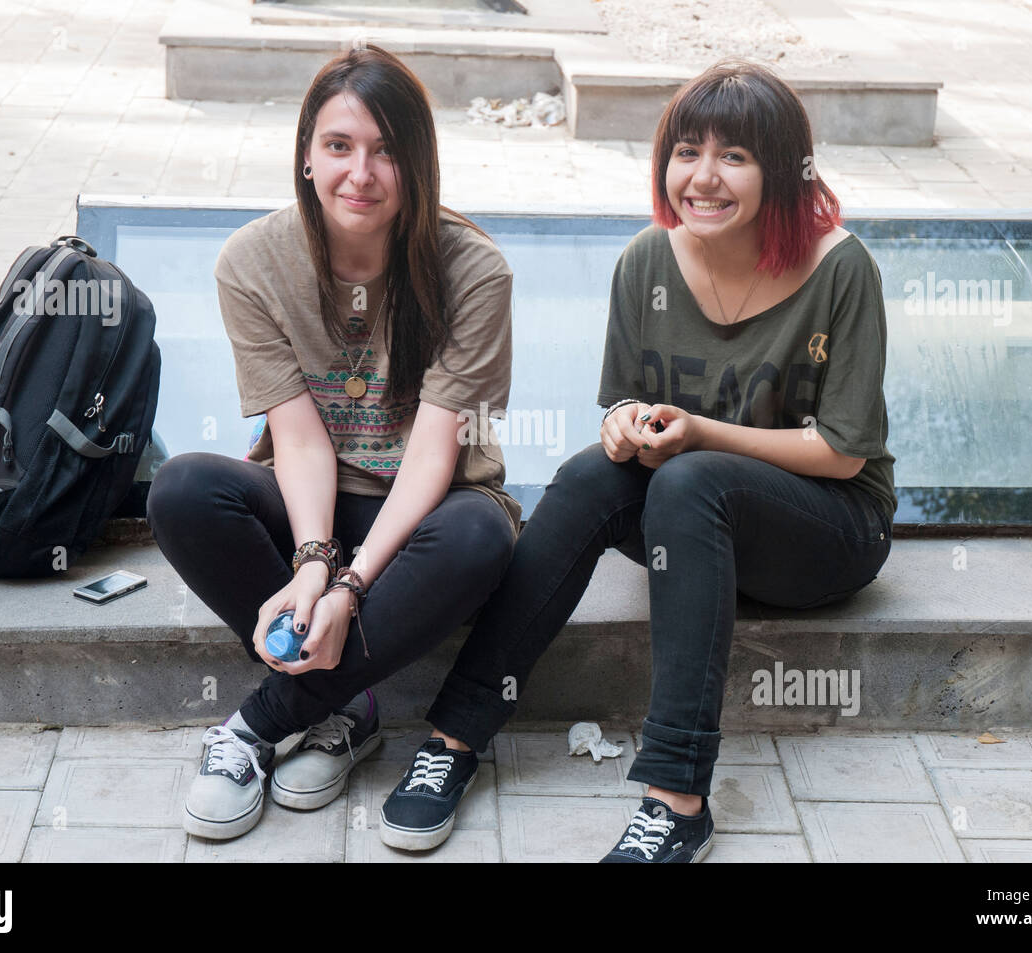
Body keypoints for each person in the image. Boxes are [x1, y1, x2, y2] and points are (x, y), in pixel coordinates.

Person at [379, 61, 896, 862]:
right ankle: (453, 736)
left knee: (691, 477)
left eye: (735, 157)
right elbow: (621, 399)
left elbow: (840, 451)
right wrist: (625, 424)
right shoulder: (647, 262)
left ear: (784, 170)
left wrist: (697, 434)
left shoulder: (839, 269)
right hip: (695, 519)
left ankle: (676, 797)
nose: (704, 177)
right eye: (687, 151)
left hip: (826, 530)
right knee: (591, 471)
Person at [146, 44, 519, 840]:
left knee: (483, 532)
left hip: (428, 513)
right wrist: (314, 562)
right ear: (306, 158)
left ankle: (257, 724)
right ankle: (348, 707)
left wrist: (348, 592)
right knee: (180, 488)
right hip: (309, 502)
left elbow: (430, 456)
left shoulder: (474, 271)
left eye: (388, 150)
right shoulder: (252, 262)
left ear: (418, 164)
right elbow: (301, 441)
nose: (362, 172)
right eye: (340, 146)